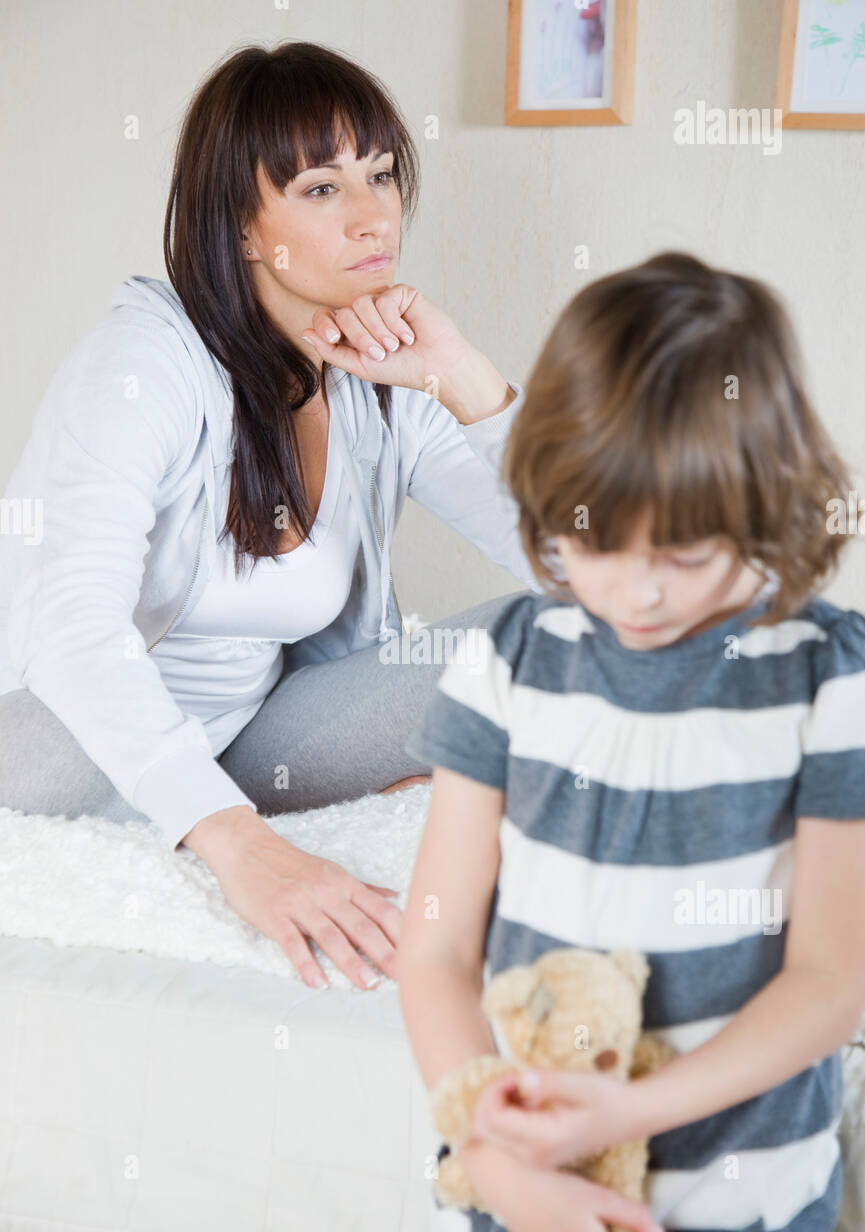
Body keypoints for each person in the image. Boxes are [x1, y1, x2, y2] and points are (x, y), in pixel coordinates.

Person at [0, 41, 544, 991]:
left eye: (380, 176)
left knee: (556, 632)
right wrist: (243, 849)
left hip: (251, 739)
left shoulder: (387, 372)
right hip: (56, 731)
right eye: (322, 189)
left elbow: (597, 570)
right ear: (244, 227)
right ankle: (185, 819)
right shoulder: (143, 366)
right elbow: (73, 630)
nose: (374, 215)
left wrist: (468, 382)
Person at [397, 250, 865, 1232]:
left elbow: (835, 979)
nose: (637, 591)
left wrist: (632, 1114)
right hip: (516, 1212)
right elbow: (432, 949)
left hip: (741, 1226)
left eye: (686, 551)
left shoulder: (827, 679)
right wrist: (507, 1171)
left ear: (767, 502)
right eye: (595, 543)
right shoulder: (508, 662)